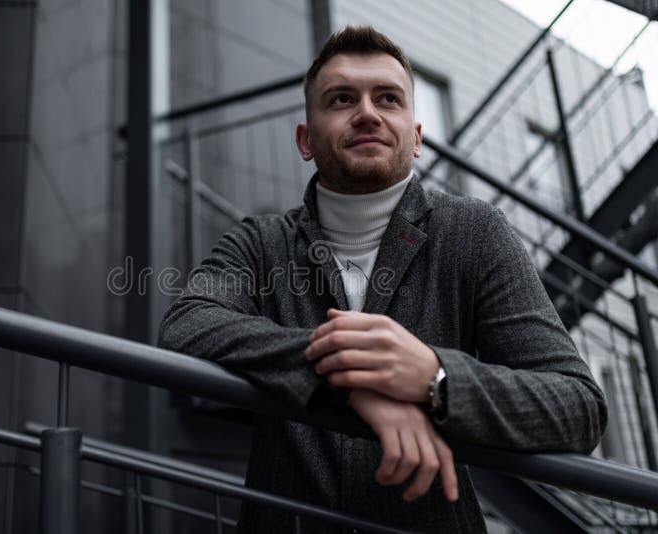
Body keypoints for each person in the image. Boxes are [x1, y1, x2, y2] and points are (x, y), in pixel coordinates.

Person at [158, 25, 607, 533]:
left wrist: (435, 379)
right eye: (342, 98)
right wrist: (348, 381)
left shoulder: (475, 231)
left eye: (388, 99)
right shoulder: (259, 242)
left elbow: (578, 406)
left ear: (415, 138)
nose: (367, 112)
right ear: (306, 140)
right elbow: (186, 325)